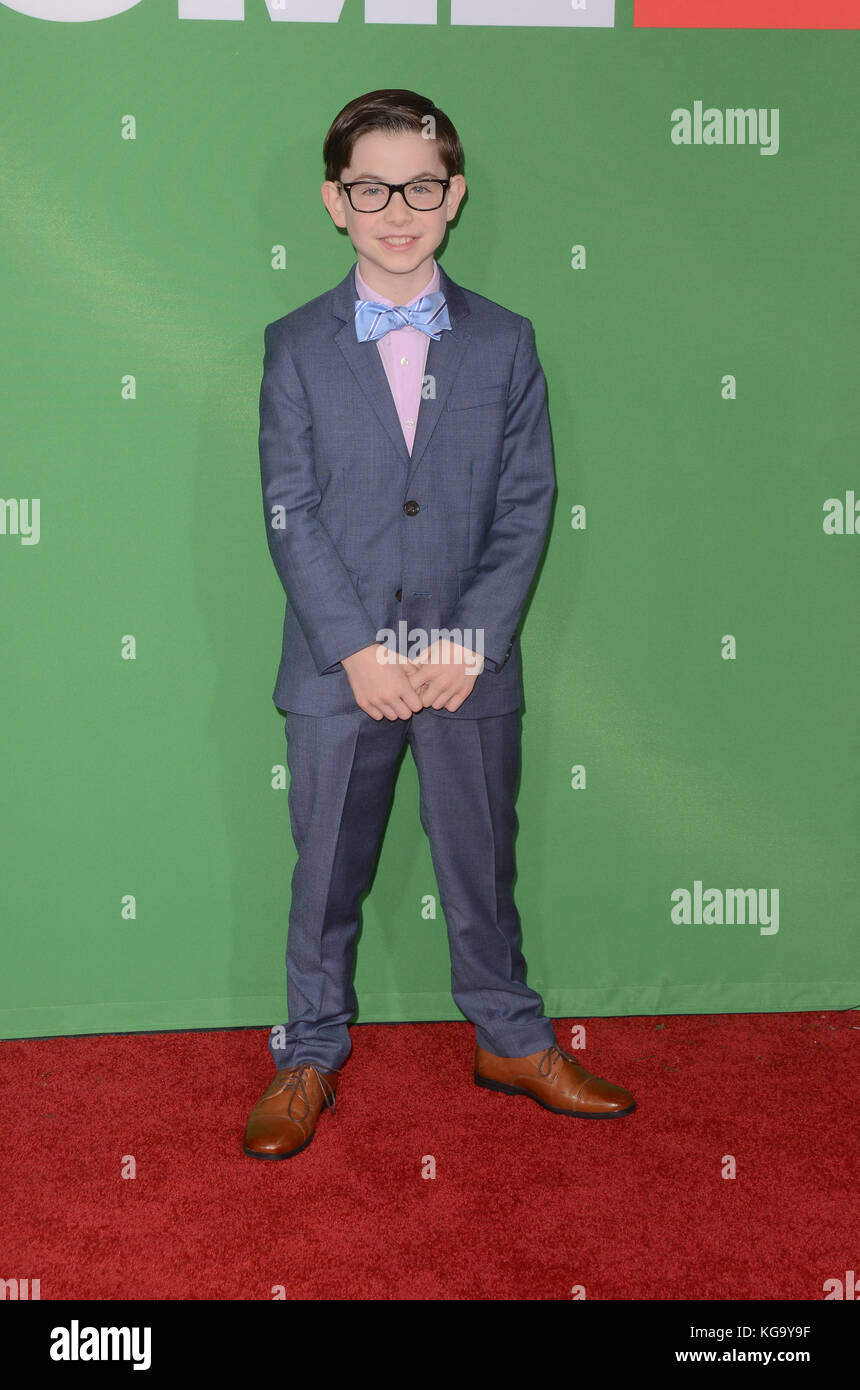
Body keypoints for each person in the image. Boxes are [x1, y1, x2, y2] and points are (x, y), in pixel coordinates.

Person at [244, 89, 635, 1160]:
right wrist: (361, 651)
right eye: (369, 188)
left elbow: (525, 504)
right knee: (322, 877)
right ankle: (308, 1054)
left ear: (453, 196)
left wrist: (465, 642)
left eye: (419, 186)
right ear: (334, 202)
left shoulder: (506, 343)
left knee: (480, 863)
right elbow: (290, 507)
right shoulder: (292, 347)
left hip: (468, 667)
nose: (396, 208)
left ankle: (509, 1037)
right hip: (341, 668)